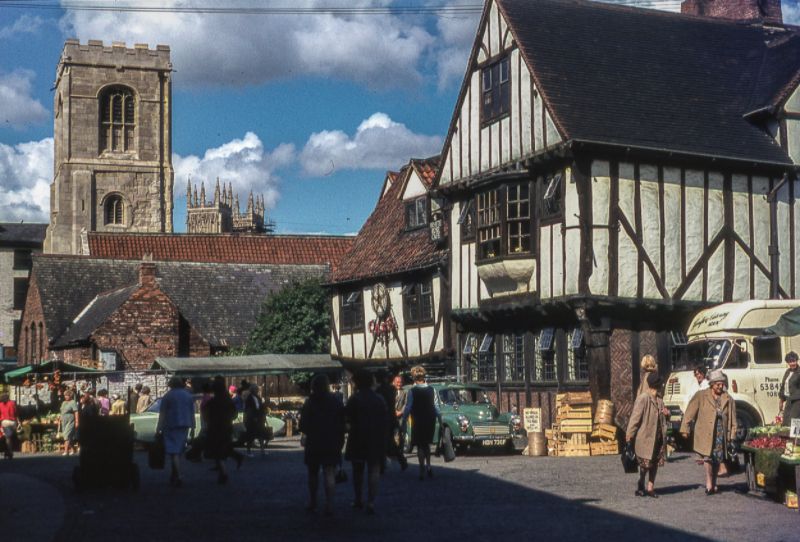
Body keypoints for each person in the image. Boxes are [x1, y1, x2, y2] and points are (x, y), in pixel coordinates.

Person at [680, 369, 737, 495]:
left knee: (717, 458)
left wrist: (732, 436)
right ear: (711, 384)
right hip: (705, 432)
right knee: (707, 457)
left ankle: (715, 482)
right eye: (717, 384)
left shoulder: (728, 399)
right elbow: (689, 412)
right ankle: (709, 482)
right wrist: (685, 428)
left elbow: (733, 419)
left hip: (720, 432)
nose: (720, 387)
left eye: (722, 384)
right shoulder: (701, 395)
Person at [299, 374, 346, 515]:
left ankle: (313, 501)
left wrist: (306, 434)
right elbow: (342, 422)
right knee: (329, 472)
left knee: (313, 473)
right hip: (332, 440)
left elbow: (303, 425)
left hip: (314, 441)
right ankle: (329, 504)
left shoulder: (310, 402)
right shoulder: (336, 401)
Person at [345, 369, 387, 514]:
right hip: (375, 438)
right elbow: (384, 419)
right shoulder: (379, 399)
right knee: (374, 470)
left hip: (357, 438)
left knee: (358, 471)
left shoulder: (354, 399)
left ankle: (358, 499)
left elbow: (347, 420)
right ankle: (371, 502)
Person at [626, 372, 668, 498]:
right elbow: (635, 418)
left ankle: (650, 487)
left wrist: (667, 414)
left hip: (658, 438)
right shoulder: (643, 398)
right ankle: (641, 484)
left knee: (654, 463)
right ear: (657, 385)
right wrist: (629, 435)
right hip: (645, 437)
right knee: (644, 465)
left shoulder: (660, 400)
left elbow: (664, 417)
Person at [156, 376, 196, 487]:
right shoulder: (188, 396)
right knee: (178, 450)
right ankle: (174, 473)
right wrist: (193, 427)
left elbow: (162, 414)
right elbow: (191, 412)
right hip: (184, 425)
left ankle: (177, 475)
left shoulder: (168, 396)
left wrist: (158, 428)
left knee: (173, 451)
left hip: (171, 425)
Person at [402, 365, 440, 480]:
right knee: (427, 444)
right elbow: (436, 406)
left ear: (414, 378)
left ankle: (421, 469)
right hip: (429, 419)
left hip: (418, 419)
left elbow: (408, 407)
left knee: (419, 446)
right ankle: (428, 465)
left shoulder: (412, 391)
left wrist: (404, 419)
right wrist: (440, 418)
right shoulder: (432, 390)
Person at [202, 376, 241, 485]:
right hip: (226, 427)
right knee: (223, 449)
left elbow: (206, 414)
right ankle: (225, 468)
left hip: (215, 429)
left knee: (217, 451)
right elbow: (234, 413)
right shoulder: (228, 399)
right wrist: (228, 419)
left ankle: (223, 473)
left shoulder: (213, 401)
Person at [376, 371, 406, 471]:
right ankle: (400, 460)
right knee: (390, 441)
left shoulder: (380, 390)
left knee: (383, 442)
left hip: (383, 418)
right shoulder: (391, 389)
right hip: (392, 417)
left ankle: (382, 465)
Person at [243, 384, 270, 456]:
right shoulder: (249, 398)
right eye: (256, 389)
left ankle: (262, 450)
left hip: (259, 419)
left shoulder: (258, 397)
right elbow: (249, 410)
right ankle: (248, 451)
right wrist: (253, 417)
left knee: (261, 435)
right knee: (251, 436)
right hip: (251, 420)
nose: (258, 390)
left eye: (258, 389)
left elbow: (260, 407)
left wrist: (265, 405)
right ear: (253, 390)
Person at [779, 351, 800, 426]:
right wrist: (781, 400)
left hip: (797, 401)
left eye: (793, 361)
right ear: (787, 362)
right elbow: (783, 386)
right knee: (785, 421)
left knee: (794, 421)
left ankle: (796, 438)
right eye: (790, 362)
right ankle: (787, 437)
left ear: (796, 361)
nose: (792, 363)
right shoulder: (788, 372)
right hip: (789, 400)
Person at [59, 390, 79, 456]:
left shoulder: (73, 402)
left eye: (67, 395)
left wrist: (77, 421)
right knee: (68, 436)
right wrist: (60, 418)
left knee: (66, 435)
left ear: (70, 396)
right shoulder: (63, 402)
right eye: (65, 395)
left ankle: (66, 451)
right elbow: (62, 411)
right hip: (63, 420)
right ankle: (73, 449)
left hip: (70, 420)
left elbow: (76, 412)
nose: (66, 397)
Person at [0, 393, 18, 459]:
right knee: (11, 437)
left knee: (7, 438)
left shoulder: (0, 405)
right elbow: (16, 412)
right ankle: (9, 451)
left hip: (5, 422)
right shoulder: (12, 403)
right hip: (13, 422)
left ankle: (9, 452)